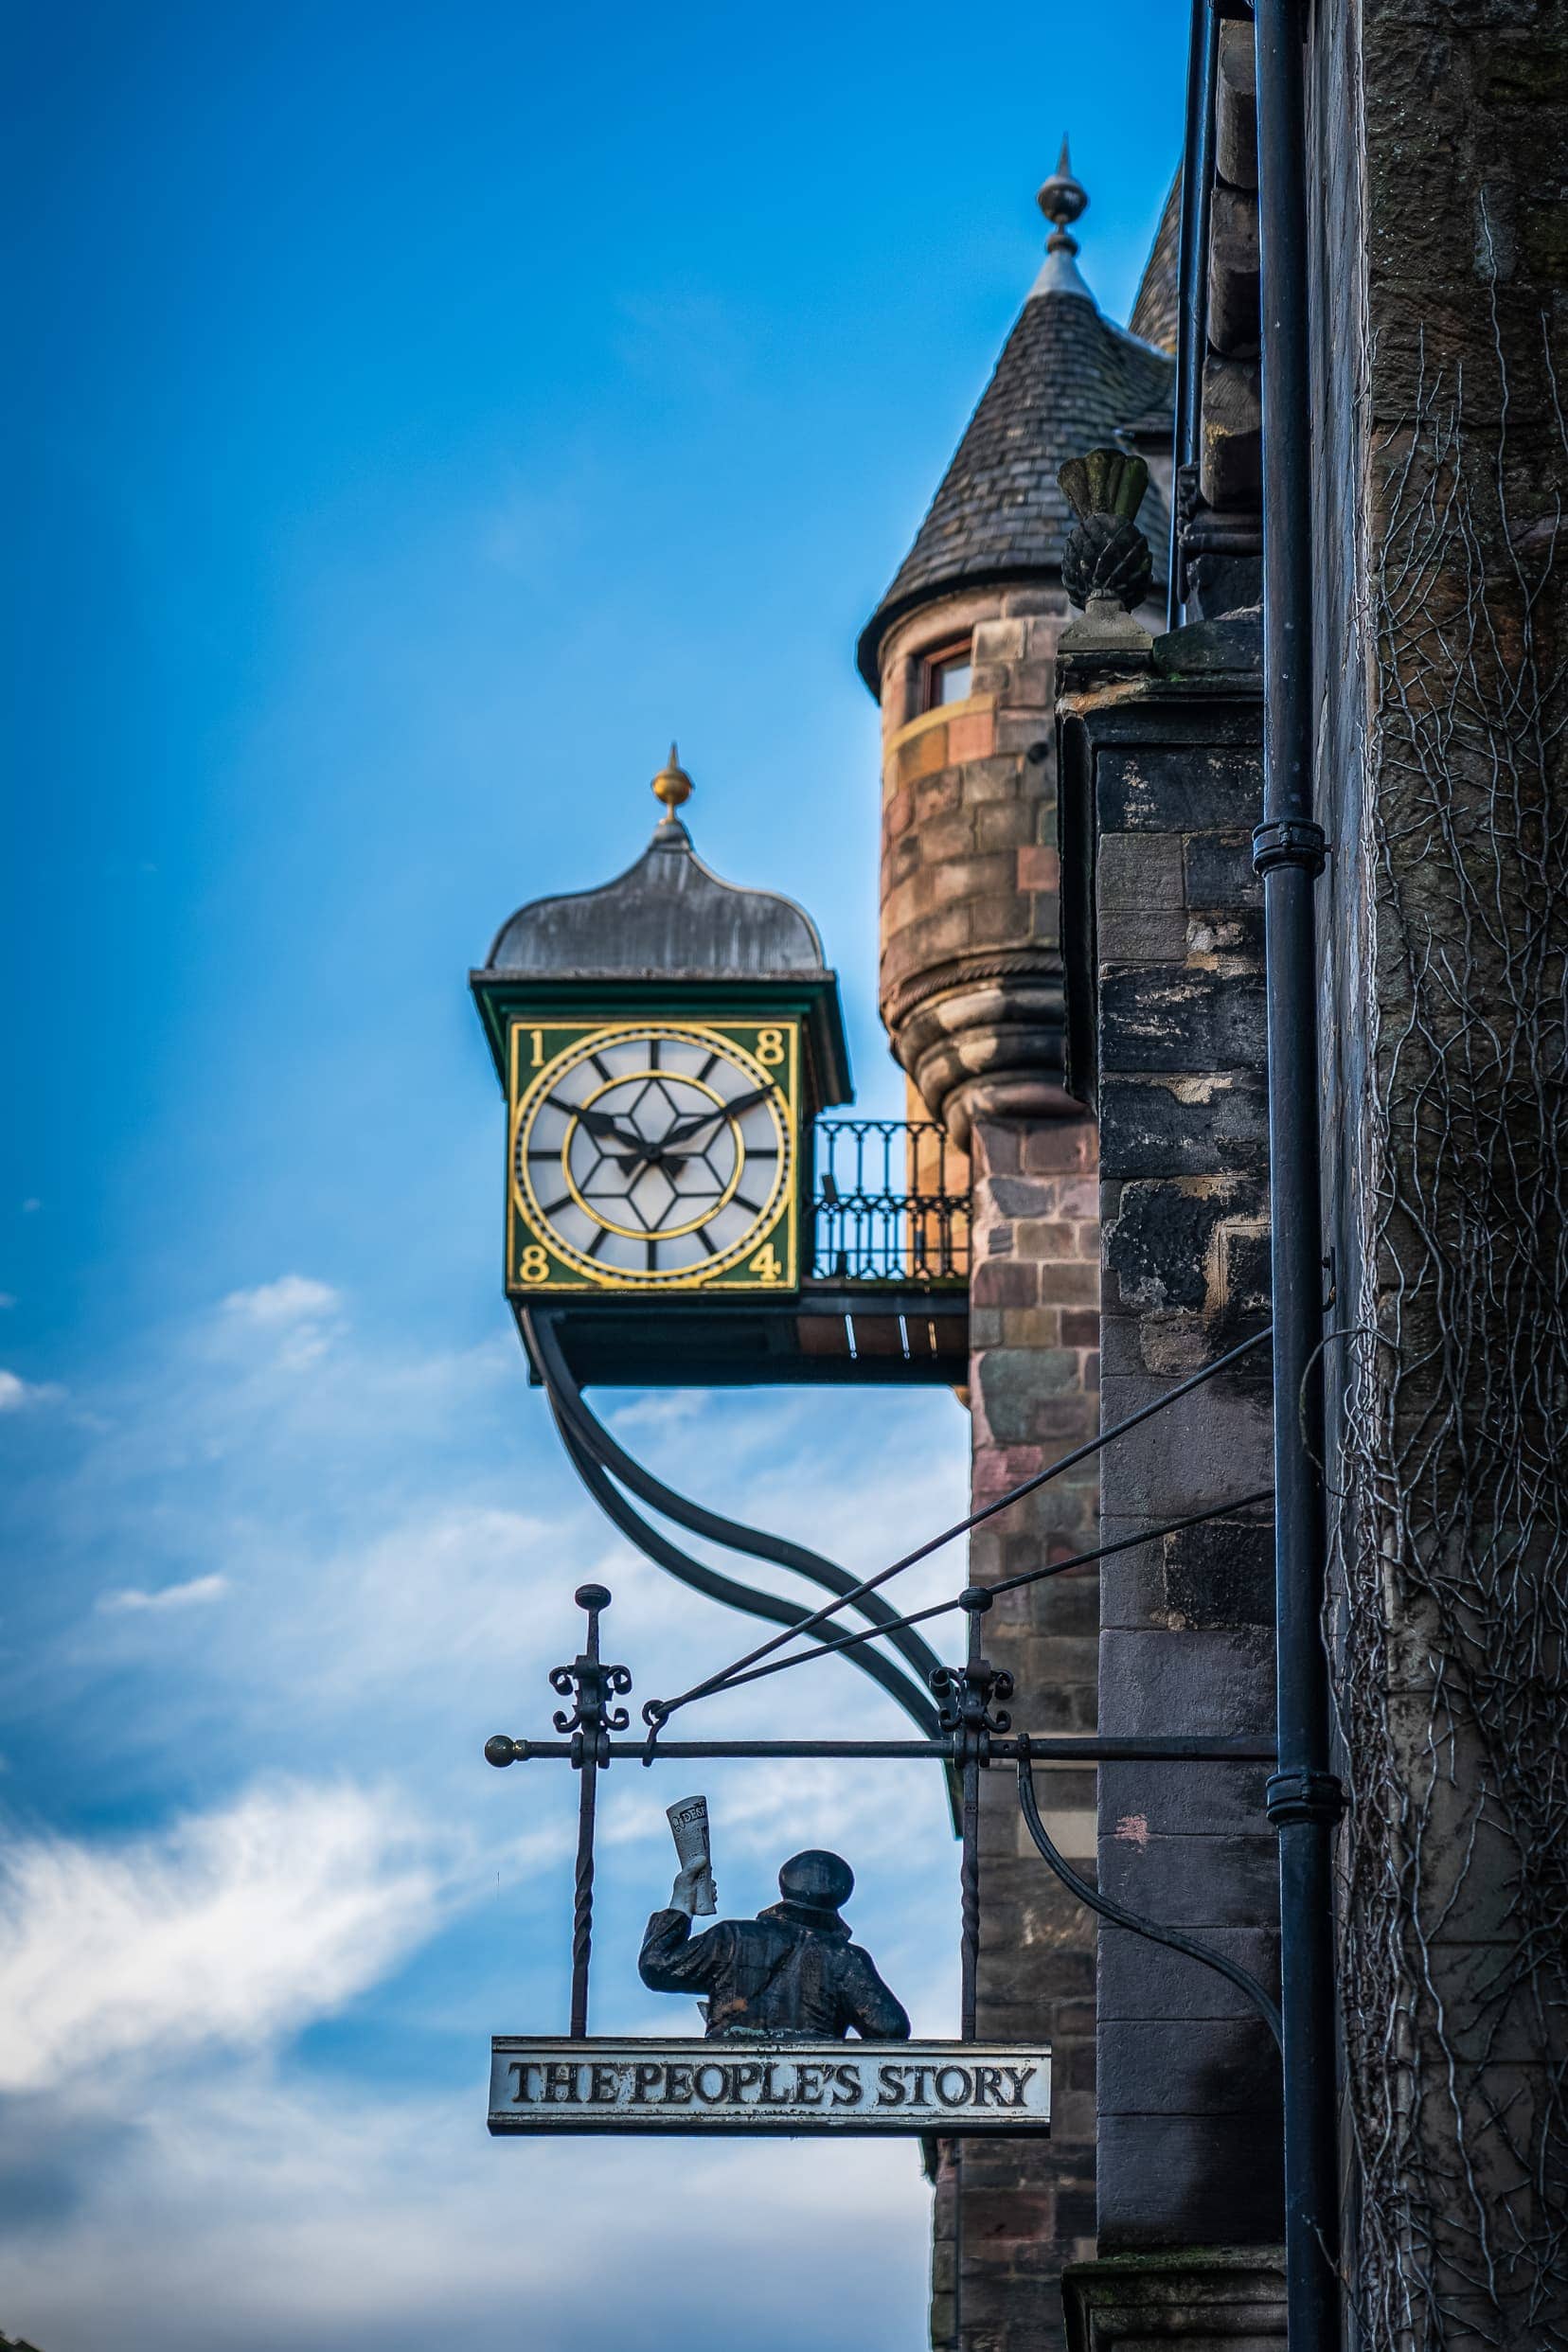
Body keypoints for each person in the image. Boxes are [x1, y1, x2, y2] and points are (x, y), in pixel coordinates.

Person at [638, 1846, 911, 2040]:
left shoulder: (732, 1936)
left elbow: (658, 1965)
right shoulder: (844, 1958)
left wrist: (683, 1901)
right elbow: (890, 2027)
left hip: (724, 2088)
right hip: (813, 2091)